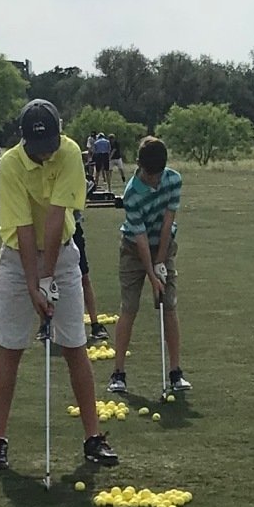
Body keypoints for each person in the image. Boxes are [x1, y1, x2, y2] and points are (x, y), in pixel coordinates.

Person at [0, 99, 120, 473]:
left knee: (75, 345)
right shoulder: (10, 163)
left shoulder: (70, 152)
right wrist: (34, 283)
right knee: (10, 347)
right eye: (37, 148)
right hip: (17, 259)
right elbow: (24, 228)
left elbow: (56, 217)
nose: (45, 154)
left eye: (49, 147)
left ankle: (93, 438)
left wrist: (48, 277)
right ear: (24, 139)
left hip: (61, 254)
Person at [110, 136, 189, 396]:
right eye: (149, 175)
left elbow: (167, 223)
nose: (154, 181)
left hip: (163, 247)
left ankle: (176, 373)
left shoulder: (173, 180)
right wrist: (152, 274)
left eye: (158, 175)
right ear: (139, 165)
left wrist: (160, 262)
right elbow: (141, 238)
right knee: (129, 307)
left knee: (169, 305)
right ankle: (118, 374)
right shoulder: (131, 193)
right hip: (134, 249)